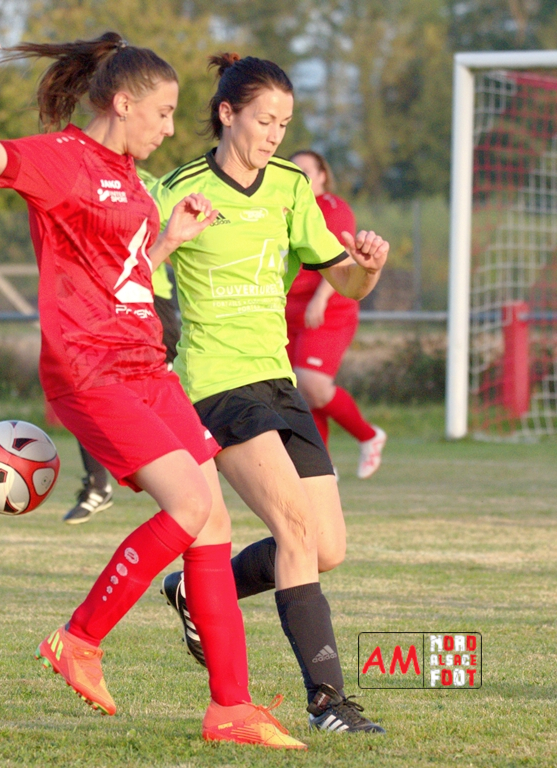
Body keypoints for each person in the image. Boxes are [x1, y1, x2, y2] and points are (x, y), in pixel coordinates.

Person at [0, 21, 305, 748]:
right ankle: (79, 638)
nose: (172, 127)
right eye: (164, 112)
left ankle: (230, 709)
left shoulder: (131, 179)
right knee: (192, 503)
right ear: (126, 102)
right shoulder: (62, 161)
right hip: (89, 366)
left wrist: (169, 241)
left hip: (143, 361)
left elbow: (120, 272)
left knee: (217, 522)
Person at [149, 53, 389, 734]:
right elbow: (134, 274)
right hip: (218, 387)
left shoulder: (289, 187)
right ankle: (328, 702)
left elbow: (345, 282)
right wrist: (167, 245)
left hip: (279, 382)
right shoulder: (182, 187)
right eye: (264, 120)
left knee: (329, 548)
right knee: (294, 529)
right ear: (227, 114)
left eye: (285, 122)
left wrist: (369, 269)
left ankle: (200, 587)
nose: (275, 134)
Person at [64, 169, 182, 524]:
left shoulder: (150, 183)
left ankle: (197, 474)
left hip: (151, 301)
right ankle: (98, 486)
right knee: (85, 387)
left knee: (172, 396)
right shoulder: (80, 175)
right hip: (99, 301)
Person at [285, 150, 386, 479]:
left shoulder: (331, 207)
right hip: (289, 311)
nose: (302, 176)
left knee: (313, 384)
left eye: (307, 170)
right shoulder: (285, 207)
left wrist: (319, 299)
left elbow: (342, 257)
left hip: (329, 307)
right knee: (299, 392)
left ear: (323, 175)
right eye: (294, 170)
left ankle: (369, 436)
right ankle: (323, 466)